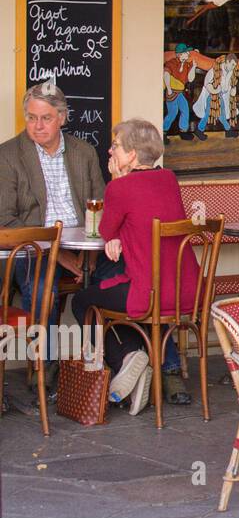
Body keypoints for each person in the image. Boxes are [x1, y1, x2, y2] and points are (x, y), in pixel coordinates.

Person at [70, 120, 197, 413]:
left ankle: (127, 361)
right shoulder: (169, 179)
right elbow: (135, 223)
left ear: (132, 155)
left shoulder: (120, 188)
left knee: (84, 301)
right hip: (184, 292)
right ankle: (141, 366)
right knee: (113, 288)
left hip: (149, 292)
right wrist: (118, 238)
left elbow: (105, 227)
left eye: (116, 146)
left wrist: (116, 186)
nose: (110, 150)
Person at [0, 82, 106, 375]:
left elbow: (101, 205)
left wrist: (93, 252)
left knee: (125, 273)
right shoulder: (8, 155)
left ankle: (109, 365)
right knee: (43, 288)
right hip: (35, 245)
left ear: (62, 117)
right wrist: (57, 254)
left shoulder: (83, 152)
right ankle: (44, 369)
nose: (38, 126)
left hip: (82, 243)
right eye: (31, 117)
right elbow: (6, 220)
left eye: (46, 118)